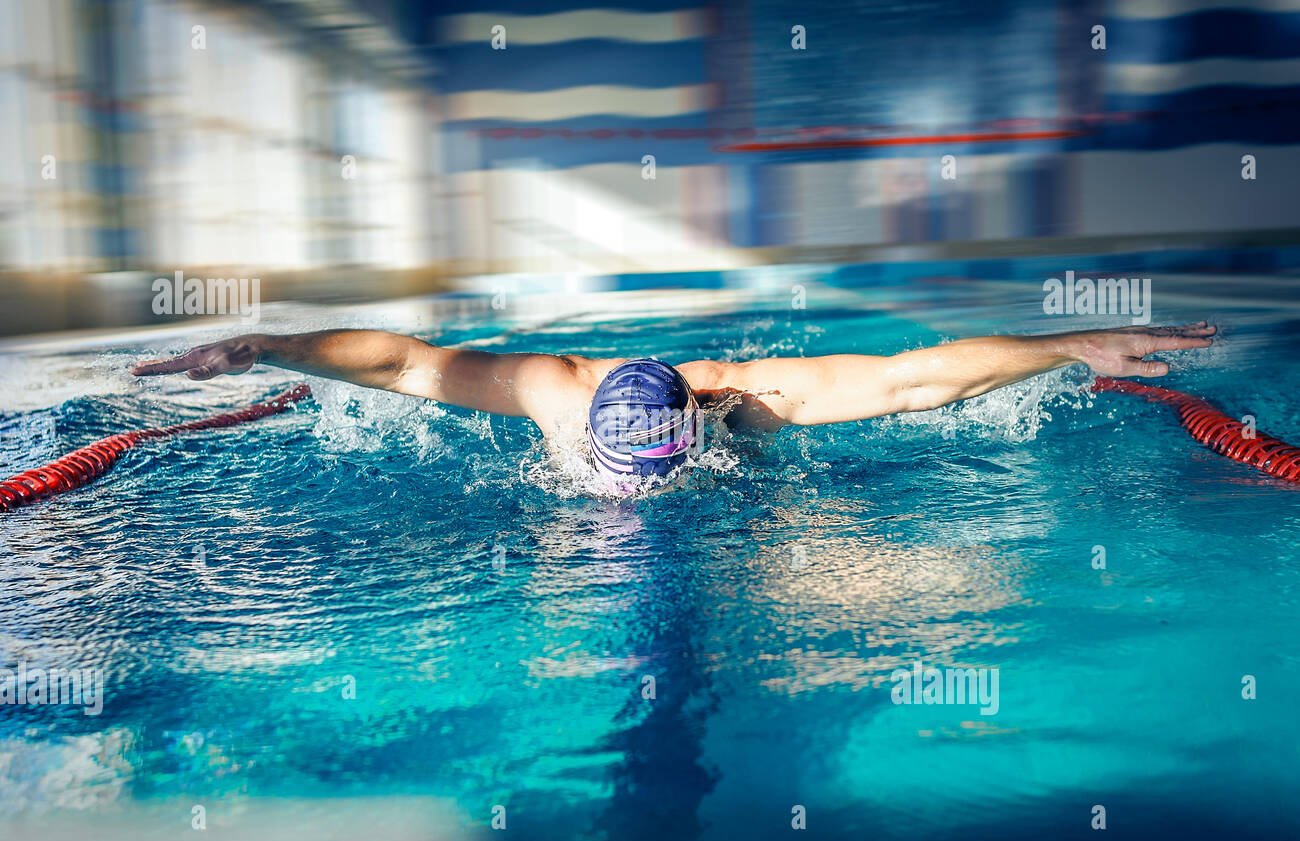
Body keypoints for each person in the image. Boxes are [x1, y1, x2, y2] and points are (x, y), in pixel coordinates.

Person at [131, 321, 1217, 493]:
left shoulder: (752, 404)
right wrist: (267, 345)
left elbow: (911, 374)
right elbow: (408, 364)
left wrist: (1067, 346)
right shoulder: (548, 395)